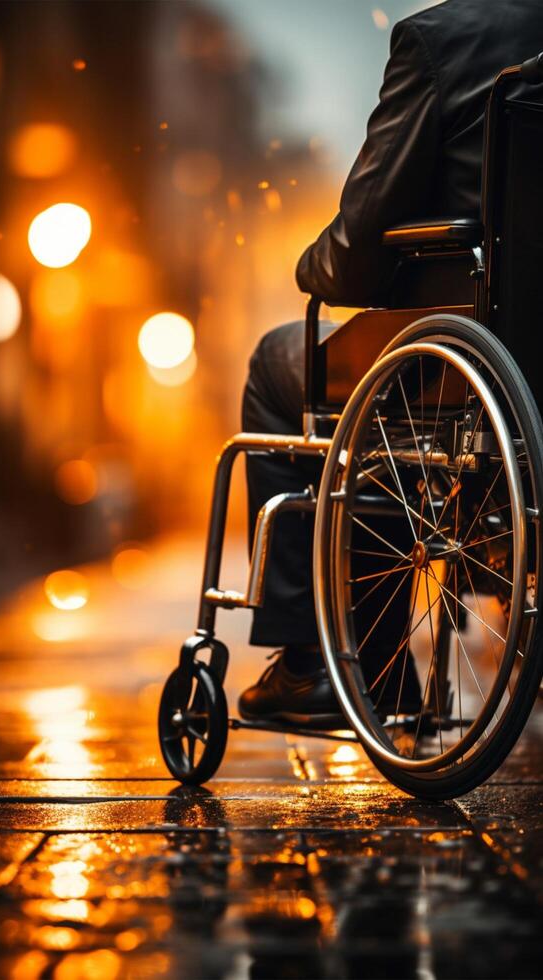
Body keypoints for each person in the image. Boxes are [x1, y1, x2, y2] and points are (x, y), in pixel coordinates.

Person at [238, 0, 543, 727]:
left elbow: (357, 254)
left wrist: (317, 265)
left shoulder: (444, 41)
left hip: (468, 344)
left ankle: (319, 661)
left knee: (283, 369)